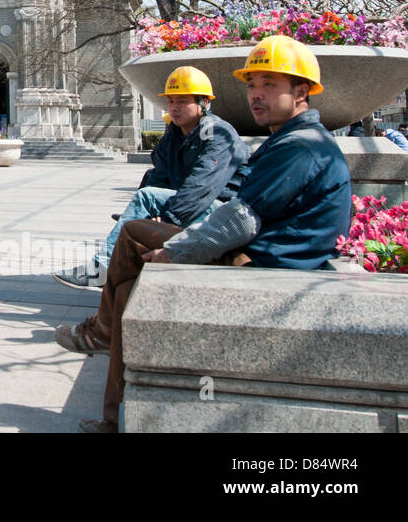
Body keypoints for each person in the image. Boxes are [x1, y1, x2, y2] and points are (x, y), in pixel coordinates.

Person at [56, 36, 352, 433]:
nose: (256, 95)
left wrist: (176, 250)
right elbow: (159, 178)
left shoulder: (299, 147)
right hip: (258, 252)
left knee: (132, 257)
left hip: (267, 262)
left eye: (269, 84)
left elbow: (237, 219)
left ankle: (103, 340)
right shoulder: (285, 139)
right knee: (130, 260)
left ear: (302, 92)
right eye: (251, 85)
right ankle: (111, 386)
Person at [54, 65, 250, 289]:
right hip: (187, 206)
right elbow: (159, 176)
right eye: (171, 101)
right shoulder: (174, 134)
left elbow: (201, 186)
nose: (174, 108)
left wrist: (168, 218)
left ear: (204, 103)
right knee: (145, 201)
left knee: (146, 198)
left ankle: (102, 268)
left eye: (182, 101)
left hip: (224, 212)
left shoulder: (217, 133)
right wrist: (155, 214)